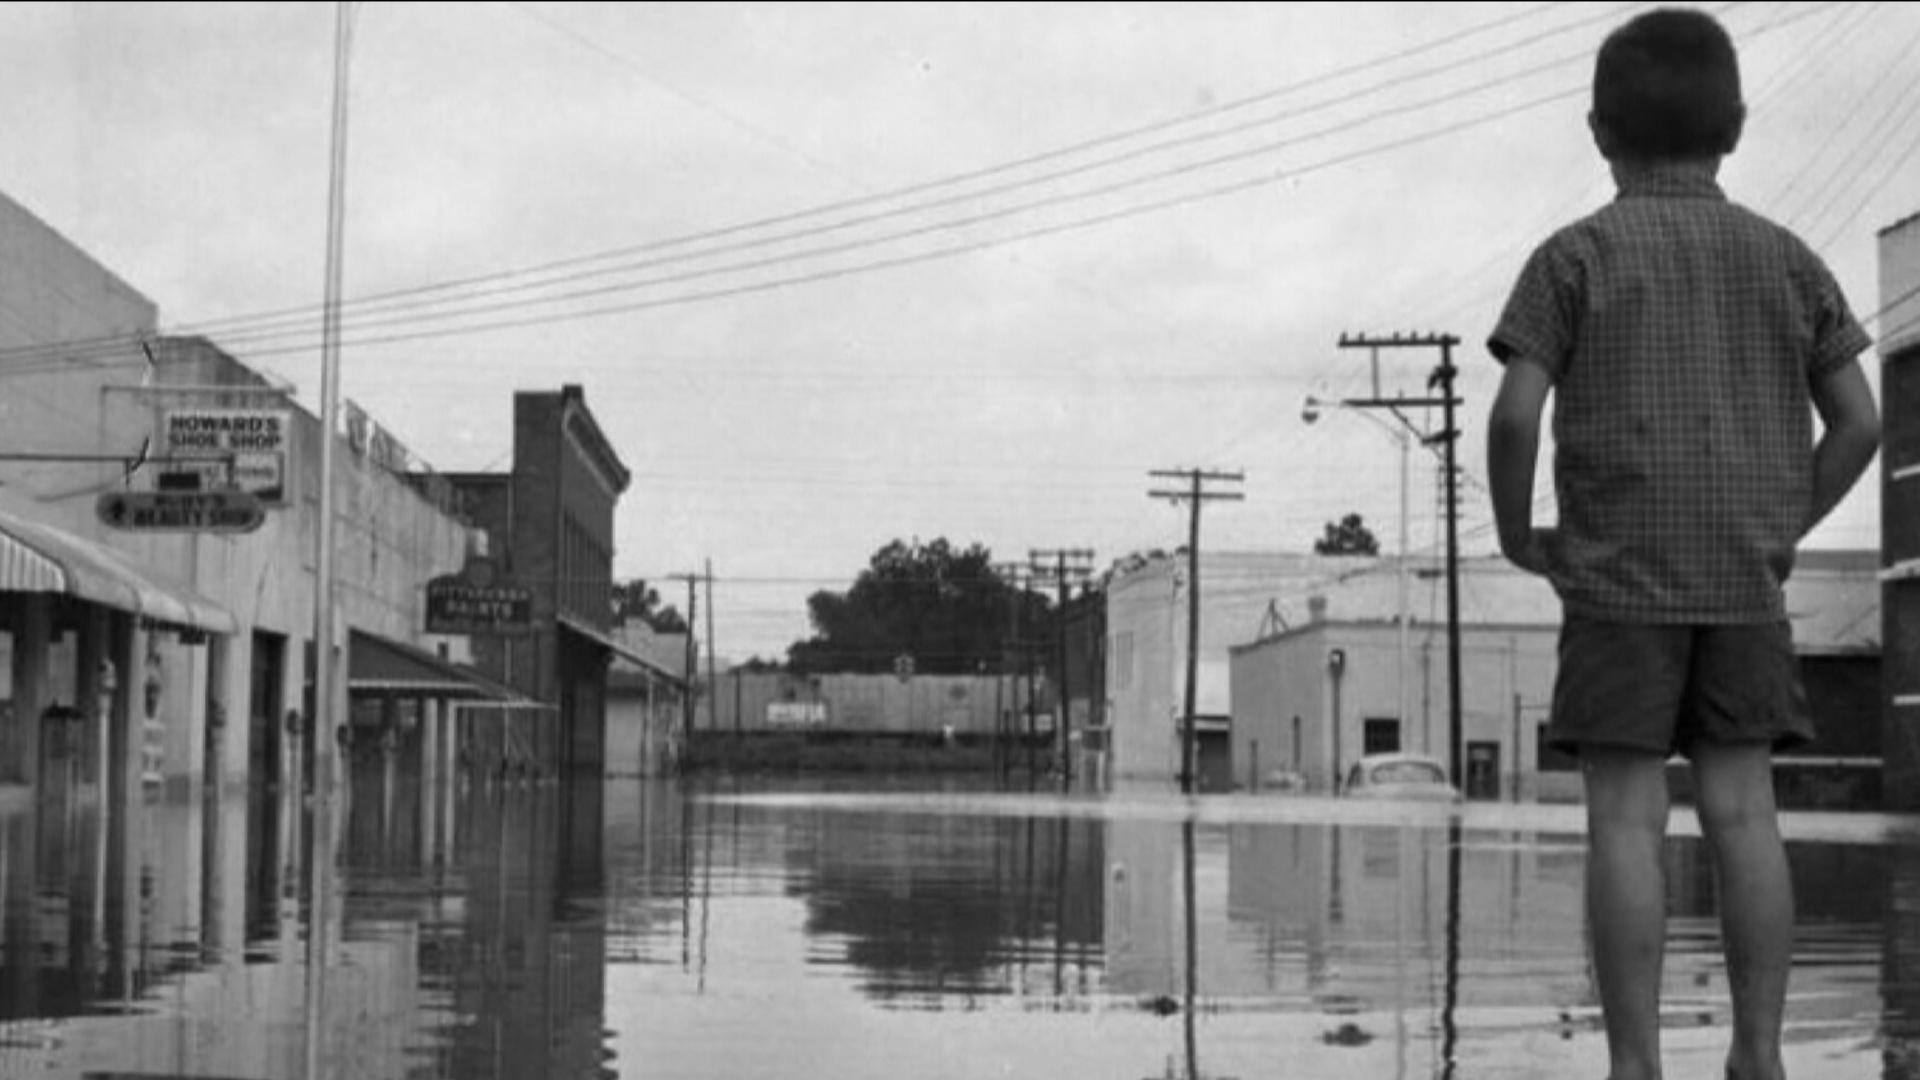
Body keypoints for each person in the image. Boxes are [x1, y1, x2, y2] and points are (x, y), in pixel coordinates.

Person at [1483, 9, 1882, 1080]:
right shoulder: (1789, 260)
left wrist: (1521, 537)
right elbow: (1861, 420)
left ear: (1598, 131)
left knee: (1624, 821)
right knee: (1745, 814)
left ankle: (1636, 1066)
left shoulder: (1572, 259)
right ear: (1736, 128)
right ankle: (1758, 1055)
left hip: (1615, 587)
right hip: (1744, 589)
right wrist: (1779, 523)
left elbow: (1516, 413)